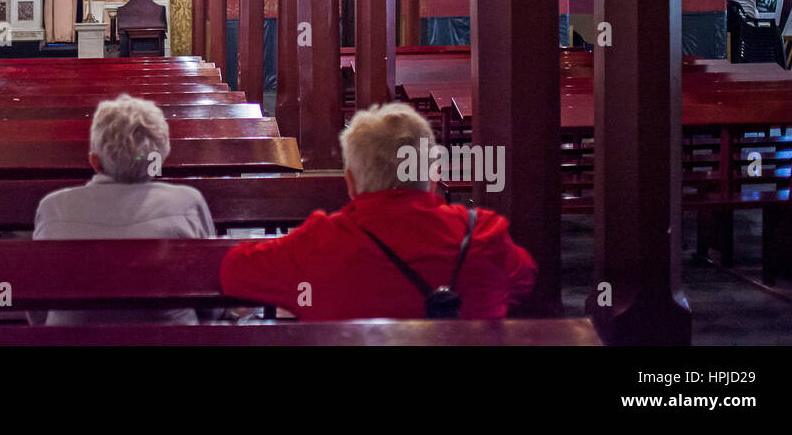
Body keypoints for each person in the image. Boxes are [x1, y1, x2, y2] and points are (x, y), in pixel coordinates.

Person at [220, 103, 536, 320]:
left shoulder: (319, 243)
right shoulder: (484, 234)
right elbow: (523, 280)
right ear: (432, 176)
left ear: (351, 181)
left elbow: (233, 271)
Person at [32, 94, 216, 325]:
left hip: (71, 337)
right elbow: (208, 292)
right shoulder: (188, 202)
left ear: (94, 162)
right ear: (158, 160)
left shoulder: (53, 208)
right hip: (168, 338)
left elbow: (37, 297)